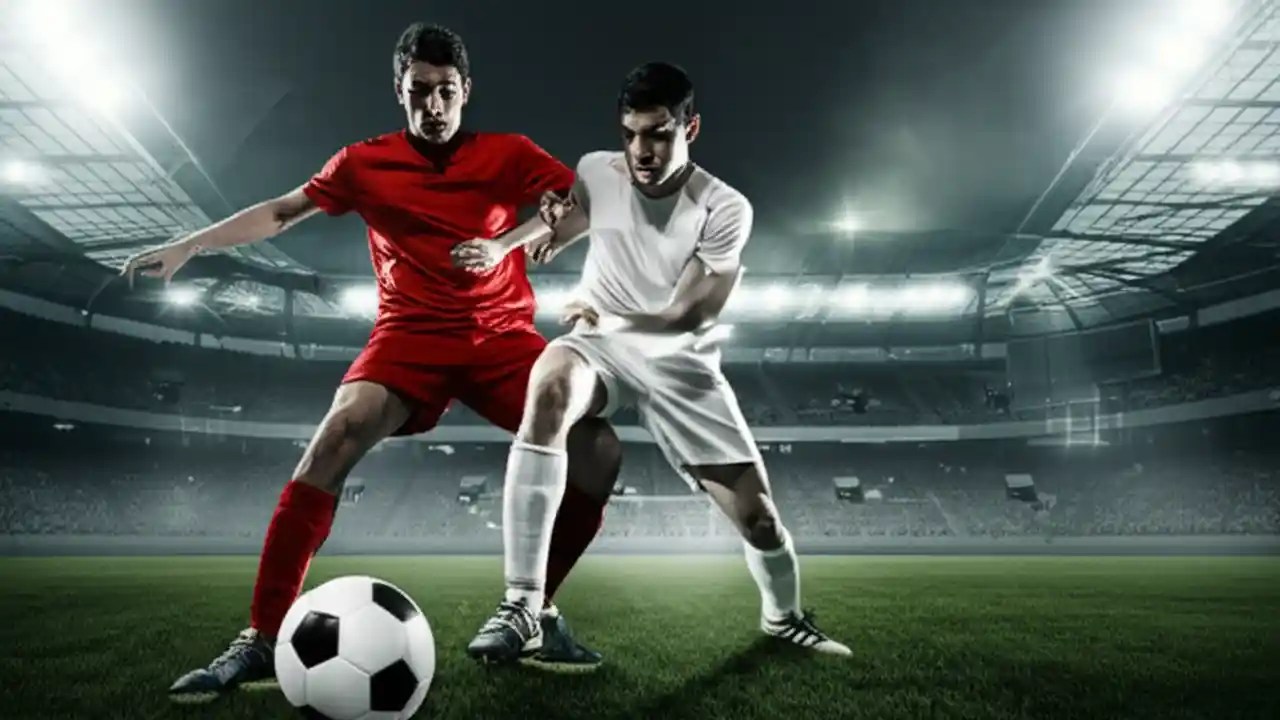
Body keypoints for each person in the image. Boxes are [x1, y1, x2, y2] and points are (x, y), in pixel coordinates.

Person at [122, 24, 619, 699]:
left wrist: (517, 240)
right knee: (335, 437)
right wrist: (190, 245)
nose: (434, 107)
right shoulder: (363, 162)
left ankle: (535, 609)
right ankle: (264, 637)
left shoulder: (510, 154)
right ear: (399, 91)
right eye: (420, 92)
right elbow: (280, 212)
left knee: (597, 448)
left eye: (447, 92)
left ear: (466, 91)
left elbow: (586, 207)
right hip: (408, 335)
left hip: (500, 337)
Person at [456, 61, 850, 664]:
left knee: (762, 522)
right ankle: (522, 606)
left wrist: (603, 316)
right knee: (551, 382)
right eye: (632, 133)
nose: (642, 149)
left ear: (691, 127)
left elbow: (688, 316)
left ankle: (784, 617)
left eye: (659, 133)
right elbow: (578, 214)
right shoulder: (596, 169)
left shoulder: (724, 209)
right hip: (600, 348)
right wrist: (510, 243)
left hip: (677, 363)